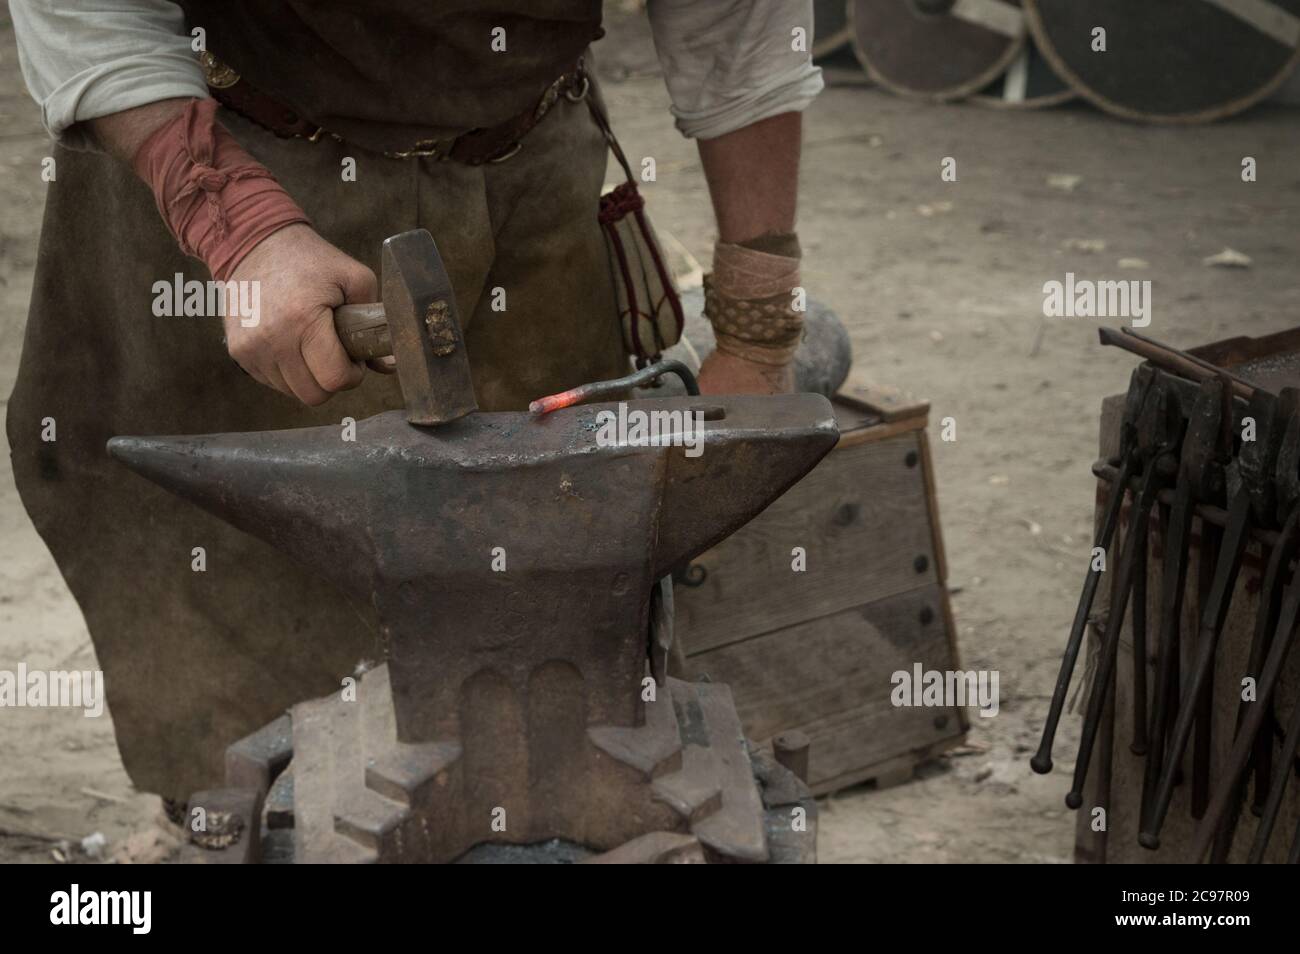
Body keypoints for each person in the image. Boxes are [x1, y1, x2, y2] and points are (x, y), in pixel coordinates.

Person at [6, 0, 822, 807]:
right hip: (217, 142)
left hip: (527, 156)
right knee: (223, 578)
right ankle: (237, 813)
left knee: (553, 553)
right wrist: (239, 226)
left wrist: (756, 329)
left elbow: (736, 20)